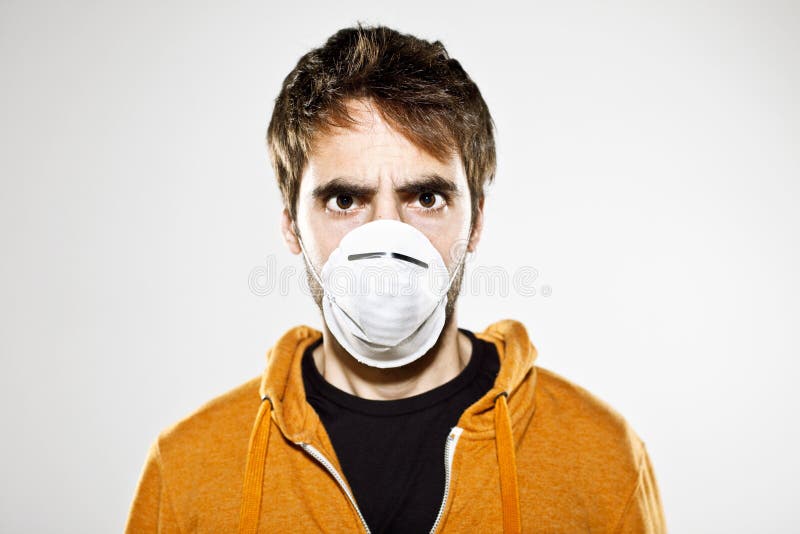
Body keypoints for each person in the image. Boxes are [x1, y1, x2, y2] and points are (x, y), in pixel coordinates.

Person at [125, 24, 666, 534]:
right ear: (291, 226)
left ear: (476, 220)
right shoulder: (187, 469)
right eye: (344, 199)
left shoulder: (600, 457)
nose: (387, 238)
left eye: (426, 198)